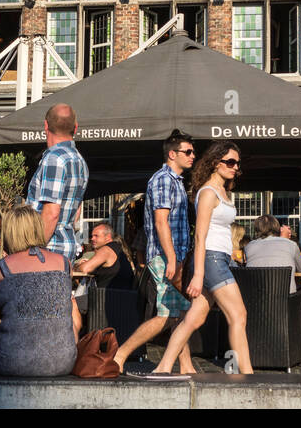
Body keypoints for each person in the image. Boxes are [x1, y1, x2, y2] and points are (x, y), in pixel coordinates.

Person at [146, 140, 253, 377]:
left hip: (220, 259)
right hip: (211, 260)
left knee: (194, 319)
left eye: (238, 163)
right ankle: (247, 375)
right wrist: (198, 275)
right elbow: (200, 236)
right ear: (216, 163)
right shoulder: (207, 192)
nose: (235, 167)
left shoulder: (223, 192)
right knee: (239, 315)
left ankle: (163, 367)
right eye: (230, 162)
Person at [112, 132, 197, 375]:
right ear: (172, 154)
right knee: (167, 314)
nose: (193, 156)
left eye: (193, 151)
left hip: (173, 255)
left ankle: (186, 365)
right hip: (164, 256)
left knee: (178, 312)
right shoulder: (163, 180)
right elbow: (161, 222)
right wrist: (171, 257)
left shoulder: (177, 182)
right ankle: (121, 354)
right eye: (187, 152)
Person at [0, 204, 76, 377]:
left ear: (10, 232)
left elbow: (1, 309)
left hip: (12, 361)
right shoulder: (65, 264)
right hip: (62, 362)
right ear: (37, 228)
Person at [26, 102, 89, 334]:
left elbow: (51, 212)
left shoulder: (54, 159)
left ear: (45, 126)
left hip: (49, 245)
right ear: (76, 127)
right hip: (66, 242)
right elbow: (76, 211)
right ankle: (70, 354)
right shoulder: (79, 161)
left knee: (45, 313)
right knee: (62, 303)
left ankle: (59, 360)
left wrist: (33, 248)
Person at [244, 215, 301, 292]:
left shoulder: (249, 247)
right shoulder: (291, 244)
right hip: (287, 301)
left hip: (257, 301)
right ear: (277, 227)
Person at [74, 222, 134, 290]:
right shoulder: (116, 247)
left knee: (72, 299)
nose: (92, 239)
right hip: (122, 295)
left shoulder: (106, 250)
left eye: (96, 236)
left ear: (108, 237)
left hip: (109, 297)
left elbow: (85, 269)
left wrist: (76, 266)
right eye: (92, 236)